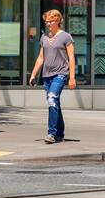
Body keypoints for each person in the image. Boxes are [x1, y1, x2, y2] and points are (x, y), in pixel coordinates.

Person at [26, 9, 76, 144]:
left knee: (52, 99)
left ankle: (52, 133)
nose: (48, 23)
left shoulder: (66, 37)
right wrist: (33, 74)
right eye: (47, 21)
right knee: (54, 102)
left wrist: (72, 77)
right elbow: (41, 57)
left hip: (60, 74)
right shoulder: (44, 37)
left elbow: (71, 57)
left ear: (58, 21)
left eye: (51, 21)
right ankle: (60, 133)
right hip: (46, 75)